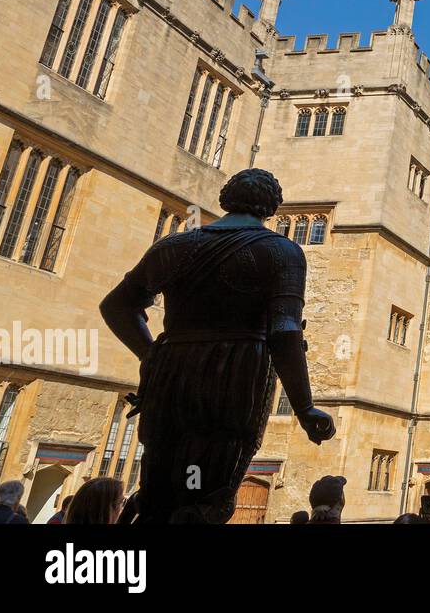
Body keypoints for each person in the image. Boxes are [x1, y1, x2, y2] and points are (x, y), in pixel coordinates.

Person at [99, 169, 335, 523]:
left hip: (171, 377)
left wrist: (151, 354)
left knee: (161, 490)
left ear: (226, 197)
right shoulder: (280, 251)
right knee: (207, 490)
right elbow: (284, 331)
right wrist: (304, 407)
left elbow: (116, 306)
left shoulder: (173, 246)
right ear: (272, 207)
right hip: (233, 377)